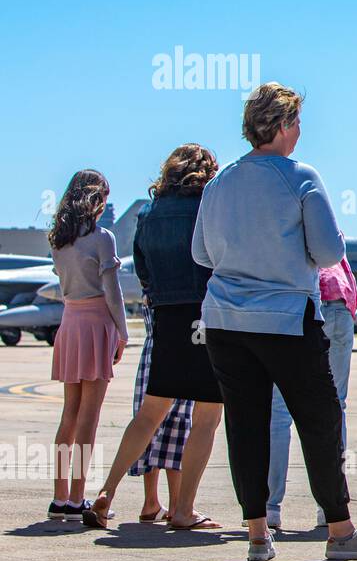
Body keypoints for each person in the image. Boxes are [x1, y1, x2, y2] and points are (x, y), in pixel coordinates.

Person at [194, 82, 357, 561]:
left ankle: (258, 534)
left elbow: (202, 254)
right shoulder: (299, 176)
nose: (301, 131)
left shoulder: (219, 183)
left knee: (246, 425)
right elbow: (330, 252)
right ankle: (340, 531)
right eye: (298, 122)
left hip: (224, 321)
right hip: (285, 319)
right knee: (320, 421)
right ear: (284, 126)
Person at [85, 145, 225, 529]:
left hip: (164, 319)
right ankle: (183, 510)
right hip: (204, 315)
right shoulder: (206, 208)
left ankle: (106, 492)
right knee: (206, 418)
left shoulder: (149, 212)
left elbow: (141, 266)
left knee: (149, 414)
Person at [47, 170, 129, 521]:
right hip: (96, 324)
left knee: (70, 412)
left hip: (70, 323)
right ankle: (78, 496)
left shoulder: (58, 239)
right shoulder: (102, 238)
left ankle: (60, 496)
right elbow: (112, 292)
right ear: (97, 199)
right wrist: (122, 332)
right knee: (89, 416)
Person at [264, 257, 357, 529]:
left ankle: (270, 508)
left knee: (279, 413)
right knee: (334, 408)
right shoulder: (325, 225)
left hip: (296, 305)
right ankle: (331, 509)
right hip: (339, 304)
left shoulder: (279, 224)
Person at [128, 306, 193, 521]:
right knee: (177, 425)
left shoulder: (149, 275)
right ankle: (177, 504)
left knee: (148, 424)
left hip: (151, 348)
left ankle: (150, 502)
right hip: (179, 346)